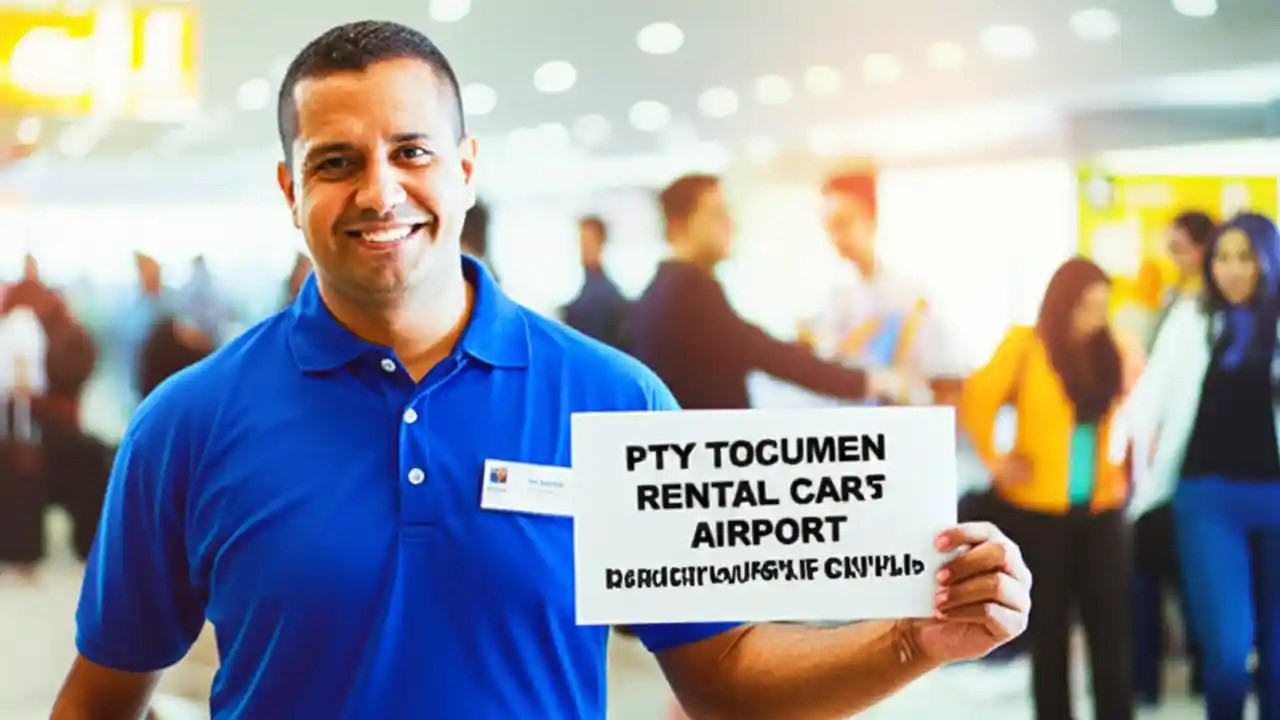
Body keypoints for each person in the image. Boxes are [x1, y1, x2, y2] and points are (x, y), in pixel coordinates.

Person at [50, 21, 1031, 720]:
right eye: (336, 161)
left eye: (411, 151)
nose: (379, 190)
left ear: (466, 170)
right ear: (289, 188)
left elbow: (721, 672)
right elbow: (102, 695)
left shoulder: (612, 400)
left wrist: (913, 641)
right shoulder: (186, 424)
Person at [960, 257, 1134, 720]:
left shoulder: (1110, 349)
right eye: (1086, 308)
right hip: (1039, 514)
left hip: (1103, 510)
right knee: (1049, 633)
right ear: (1062, 304)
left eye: (1102, 308)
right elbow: (977, 400)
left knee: (1111, 633)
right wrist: (998, 462)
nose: (1094, 319)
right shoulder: (1025, 344)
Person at [1125, 213, 1280, 720]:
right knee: (1229, 655)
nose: (1231, 270)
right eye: (1222, 257)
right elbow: (1147, 401)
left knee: (1278, 661)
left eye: (1245, 258)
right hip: (1208, 500)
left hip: (1275, 500)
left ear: (1267, 261)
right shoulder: (1191, 319)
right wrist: (1126, 461)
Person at [629, 174, 928, 410]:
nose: (730, 224)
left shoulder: (658, 291)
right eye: (717, 215)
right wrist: (870, 381)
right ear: (680, 225)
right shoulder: (689, 289)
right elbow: (761, 350)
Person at [1130, 208, 1216, 703]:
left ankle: (1196, 675)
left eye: (1181, 248)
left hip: (1200, 470)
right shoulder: (1180, 306)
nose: (1175, 258)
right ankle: (1149, 682)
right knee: (1159, 575)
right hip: (1167, 473)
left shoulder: (1215, 315)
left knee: (1194, 583)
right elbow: (1156, 388)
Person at [800, 174, 962, 402]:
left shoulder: (911, 295)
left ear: (871, 220)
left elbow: (934, 371)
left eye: (843, 223)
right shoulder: (834, 299)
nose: (836, 237)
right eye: (829, 228)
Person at [562, 215, 630, 350]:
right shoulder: (587, 290)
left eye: (587, 243)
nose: (583, 249)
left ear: (601, 244)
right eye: (581, 243)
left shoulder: (605, 294)